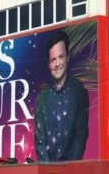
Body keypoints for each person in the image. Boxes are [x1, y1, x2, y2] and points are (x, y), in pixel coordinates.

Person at [34, 30, 90, 163]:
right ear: (49, 64)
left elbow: (80, 137)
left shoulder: (80, 92)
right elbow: (39, 140)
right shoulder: (41, 99)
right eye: (53, 59)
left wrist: (68, 172)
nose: (57, 64)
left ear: (68, 57)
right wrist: (48, 173)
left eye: (61, 57)